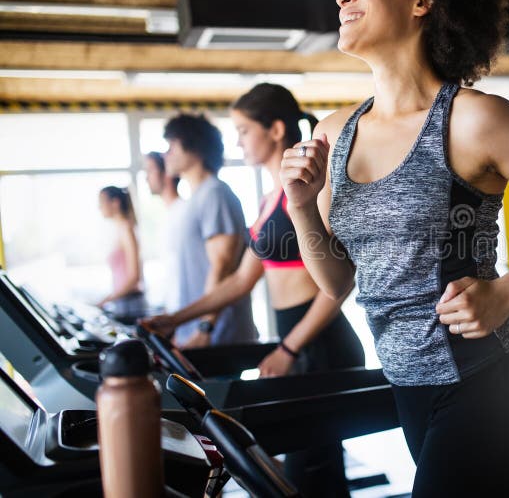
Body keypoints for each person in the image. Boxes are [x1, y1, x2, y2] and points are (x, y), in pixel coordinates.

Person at [279, 0, 509, 496]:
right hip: (408, 386)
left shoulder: (475, 120)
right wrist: (300, 205)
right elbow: (335, 283)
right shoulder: (333, 134)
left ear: (423, 0)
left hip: (489, 382)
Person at [142, 85, 365, 497]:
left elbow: (340, 281)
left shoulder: (312, 189)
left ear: (276, 129)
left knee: (313, 471)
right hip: (292, 338)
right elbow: (242, 281)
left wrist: (291, 348)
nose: (238, 141)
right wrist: (175, 319)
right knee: (304, 469)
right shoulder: (268, 200)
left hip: (318, 340)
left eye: (244, 130)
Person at [154, 113, 256, 348]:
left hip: (217, 336)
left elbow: (222, 266)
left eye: (172, 146)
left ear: (194, 148)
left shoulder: (214, 194)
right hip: (196, 332)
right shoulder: (196, 198)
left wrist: (204, 328)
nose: (165, 154)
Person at [143, 151, 186, 314]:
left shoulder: (183, 212)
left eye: (150, 170)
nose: (146, 178)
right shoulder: (168, 214)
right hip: (176, 312)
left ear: (167, 172)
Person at [96, 186, 147, 319]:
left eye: (102, 202)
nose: (99, 207)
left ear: (115, 202)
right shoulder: (119, 229)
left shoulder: (127, 229)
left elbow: (135, 277)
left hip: (131, 304)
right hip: (122, 302)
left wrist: (107, 300)